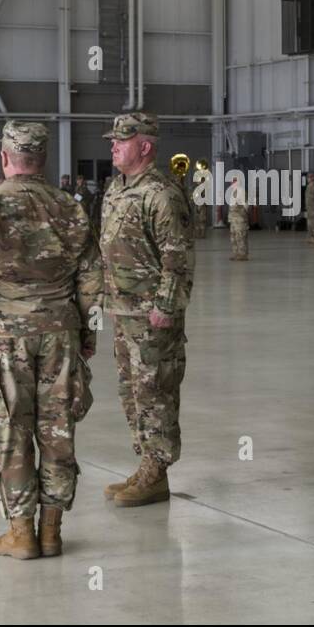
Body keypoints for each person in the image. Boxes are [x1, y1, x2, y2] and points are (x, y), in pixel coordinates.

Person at [0, 121, 102, 559]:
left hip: (6, 340)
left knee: (12, 433)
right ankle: (52, 531)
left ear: (5, 157)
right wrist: (87, 333)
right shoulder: (70, 208)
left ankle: (21, 534)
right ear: (43, 159)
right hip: (61, 336)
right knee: (58, 432)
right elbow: (93, 279)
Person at [99, 112, 195, 507]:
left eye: (122, 139)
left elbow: (178, 257)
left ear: (146, 146)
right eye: (114, 139)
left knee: (155, 391)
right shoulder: (117, 188)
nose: (114, 145)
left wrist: (166, 306)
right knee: (132, 391)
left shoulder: (162, 193)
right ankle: (145, 465)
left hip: (152, 315)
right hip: (123, 311)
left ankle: (157, 472)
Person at [228, 179, 249, 261]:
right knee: (233, 237)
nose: (231, 183)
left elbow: (246, 206)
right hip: (233, 219)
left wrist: (242, 214)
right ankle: (236, 253)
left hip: (240, 219)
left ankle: (243, 254)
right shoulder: (233, 192)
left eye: (233, 181)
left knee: (241, 236)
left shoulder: (242, 192)